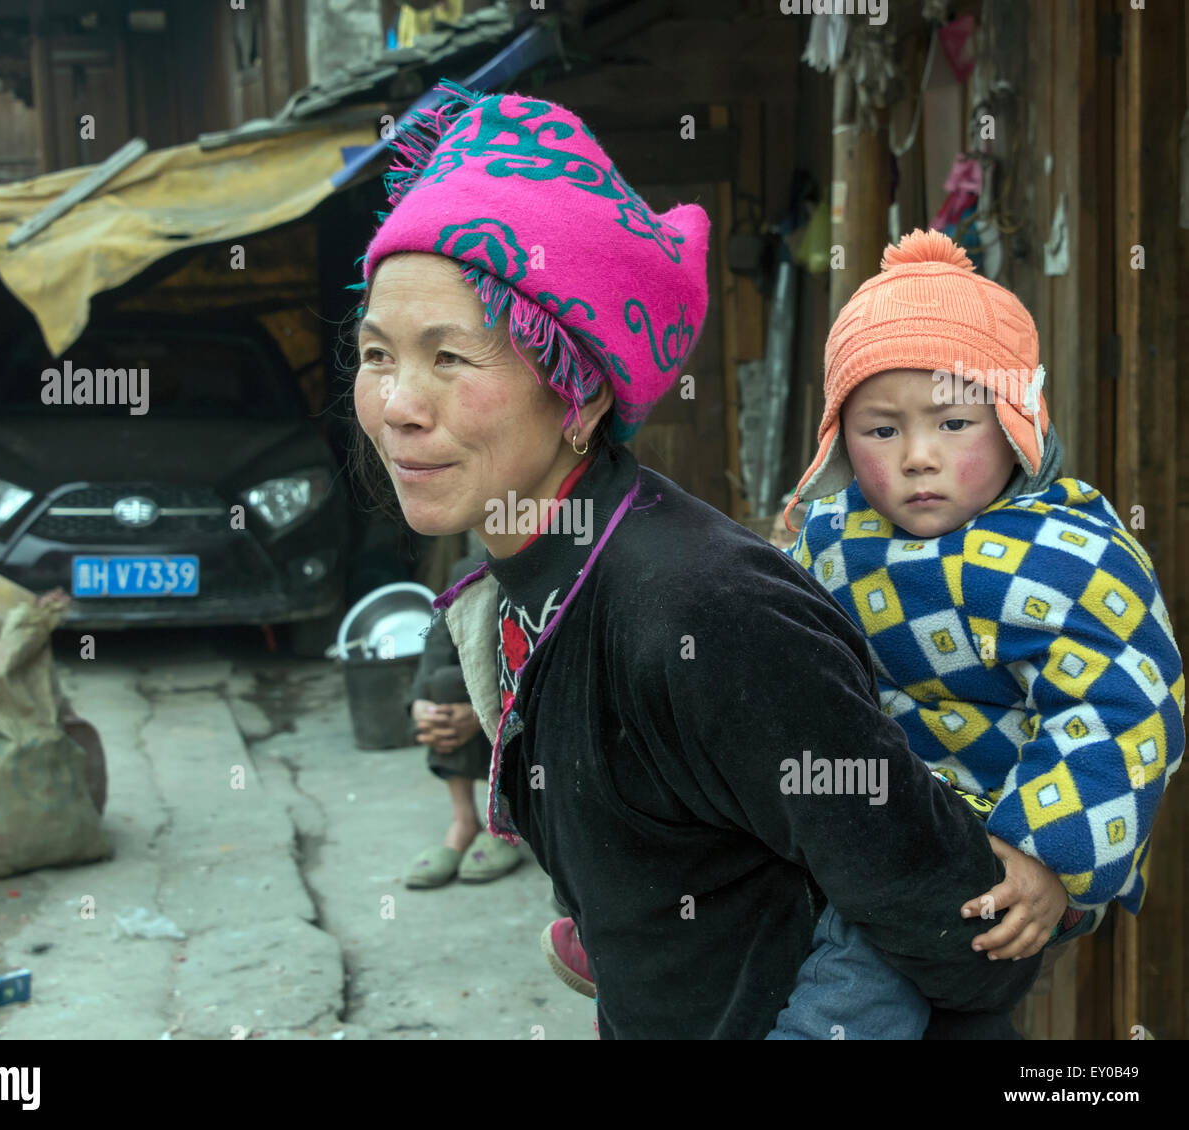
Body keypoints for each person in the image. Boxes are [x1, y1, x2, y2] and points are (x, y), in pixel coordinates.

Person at [346, 78, 1045, 1039]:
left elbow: (958, 924)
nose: (397, 405)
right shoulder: (529, 587)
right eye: (376, 353)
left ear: (578, 394)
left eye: (450, 358)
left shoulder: (703, 611)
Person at [764, 228, 1186, 1036]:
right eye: (880, 430)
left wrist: (1048, 856)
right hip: (867, 810)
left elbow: (1123, 710)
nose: (918, 456)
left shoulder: (1069, 556)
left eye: (955, 422)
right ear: (838, 439)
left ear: (1017, 419)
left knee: (867, 954)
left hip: (1003, 838)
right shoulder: (831, 540)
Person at [402, 554, 521, 887]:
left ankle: (505, 822)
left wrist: (486, 707)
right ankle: (464, 820)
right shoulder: (468, 570)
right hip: (488, 699)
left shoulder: (561, 559)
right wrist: (420, 706)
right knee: (444, 682)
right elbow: (438, 644)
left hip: (527, 707)